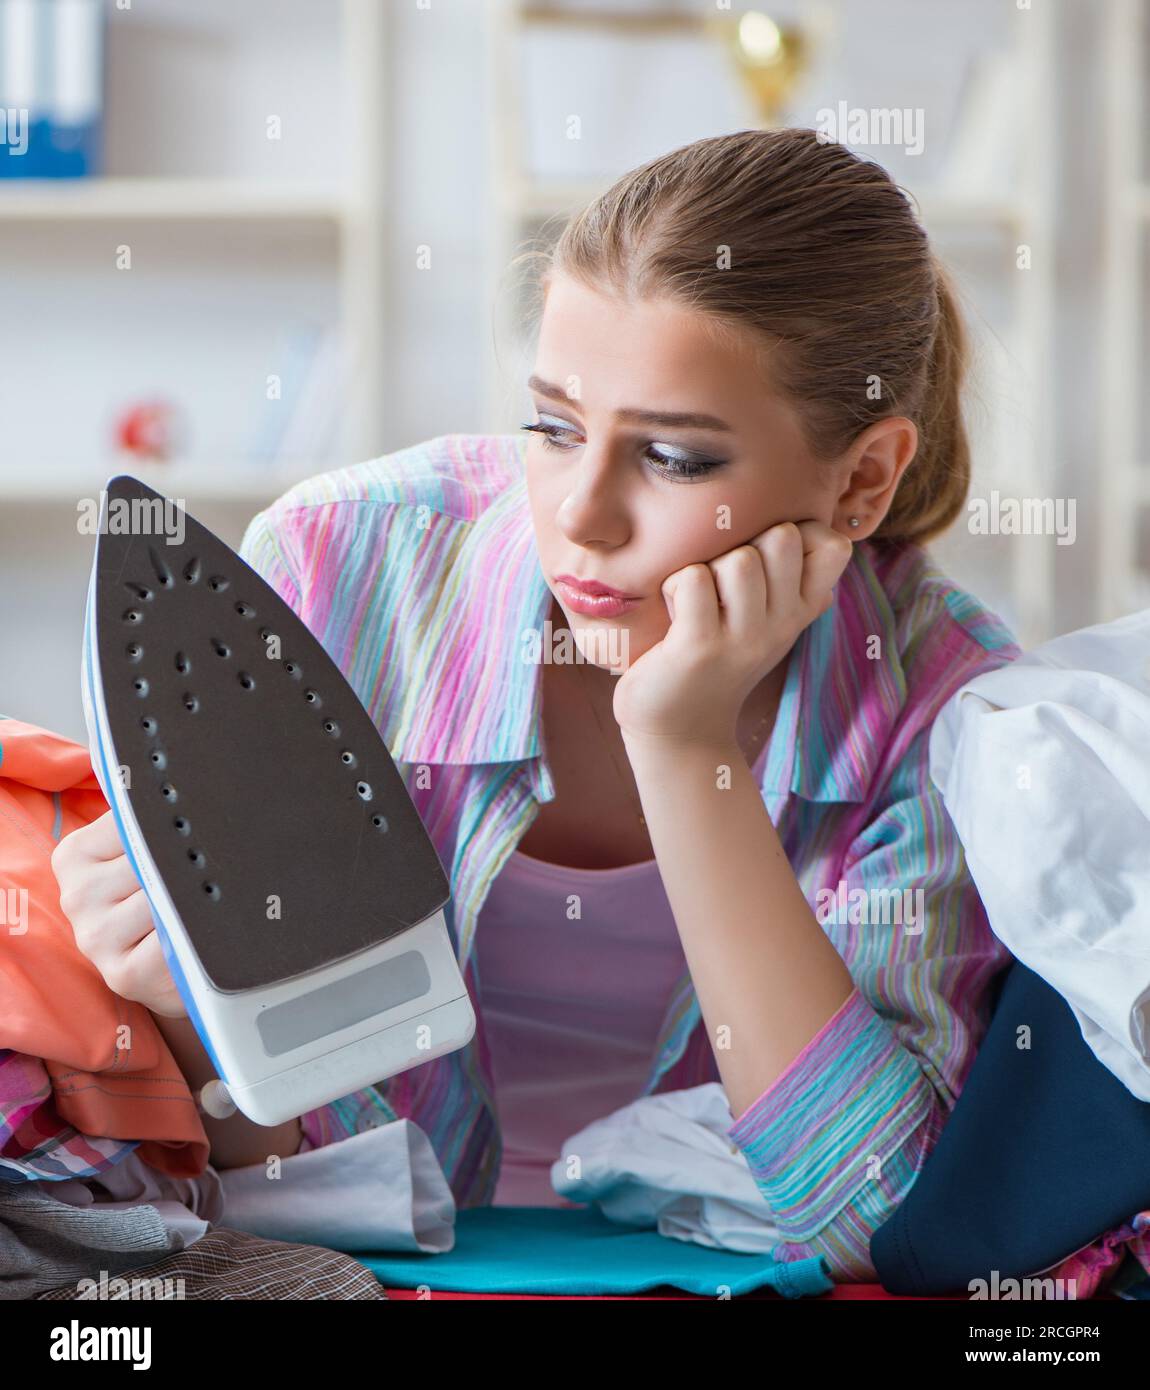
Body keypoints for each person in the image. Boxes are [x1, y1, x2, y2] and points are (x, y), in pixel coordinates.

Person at [51, 127, 1023, 1283]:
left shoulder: (946, 702)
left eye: (672, 457)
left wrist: (681, 747)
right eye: (555, 428)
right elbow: (270, 1184)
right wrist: (183, 1014)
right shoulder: (336, 570)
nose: (582, 517)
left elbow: (876, 1216)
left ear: (861, 478)